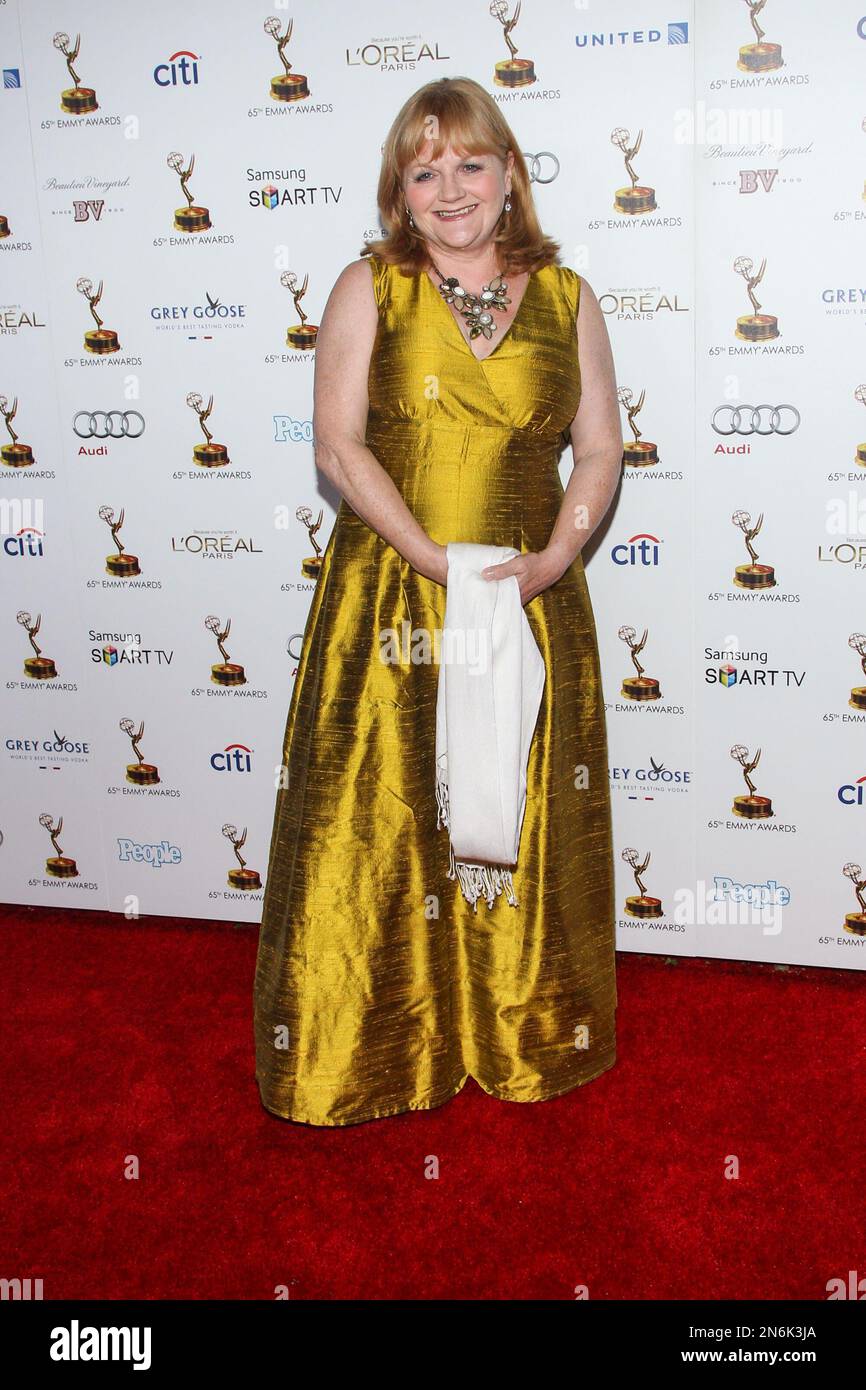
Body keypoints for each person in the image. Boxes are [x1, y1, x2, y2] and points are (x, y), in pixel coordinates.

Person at [254, 75, 622, 1127]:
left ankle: (521, 1026)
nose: (450, 187)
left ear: (509, 174)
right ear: (398, 192)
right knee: (384, 810)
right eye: (425, 171)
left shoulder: (567, 298)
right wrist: (424, 555)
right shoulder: (367, 285)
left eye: (470, 163)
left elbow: (596, 445)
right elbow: (337, 443)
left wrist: (557, 551)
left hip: (529, 594)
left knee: (517, 805)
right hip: (391, 589)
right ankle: (369, 1044)